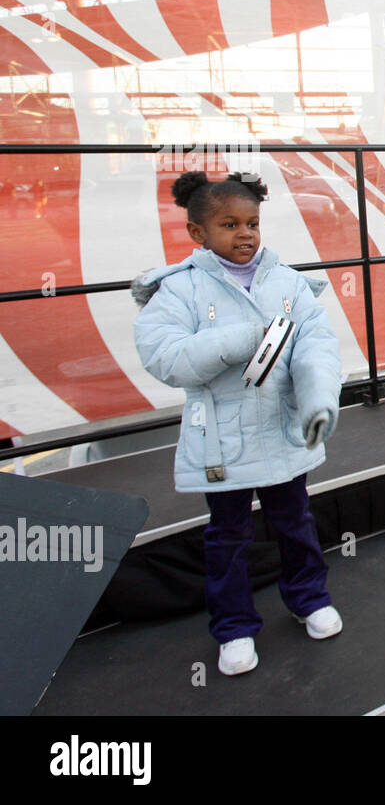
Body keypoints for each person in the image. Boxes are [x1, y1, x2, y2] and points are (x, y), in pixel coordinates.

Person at [133, 170, 343, 676]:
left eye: (252, 222)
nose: (245, 233)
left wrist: (318, 404)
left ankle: (308, 597)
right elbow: (166, 357)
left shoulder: (289, 283)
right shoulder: (178, 290)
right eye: (229, 224)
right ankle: (233, 626)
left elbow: (317, 348)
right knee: (227, 534)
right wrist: (237, 339)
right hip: (219, 444)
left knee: (294, 521)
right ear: (198, 233)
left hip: (282, 433)